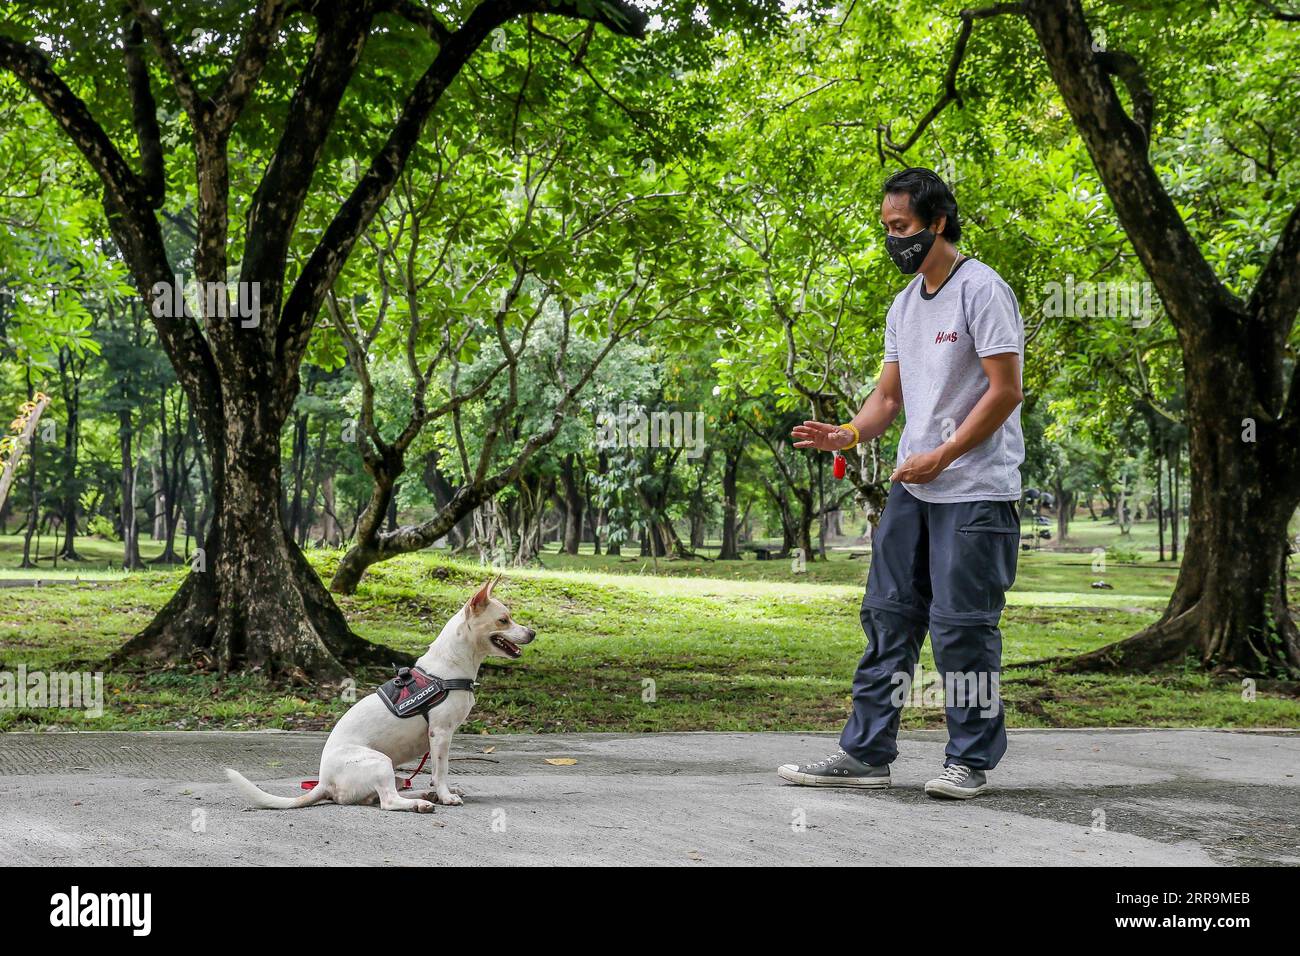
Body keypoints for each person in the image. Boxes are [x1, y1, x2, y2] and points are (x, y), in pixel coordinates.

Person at [778, 167, 1025, 799]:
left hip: (975, 492)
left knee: (963, 627)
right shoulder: (904, 304)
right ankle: (866, 753)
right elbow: (887, 398)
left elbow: (1005, 392)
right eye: (887, 228)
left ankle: (969, 760)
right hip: (914, 489)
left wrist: (943, 455)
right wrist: (848, 434)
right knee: (887, 617)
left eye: (902, 227)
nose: (893, 240)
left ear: (937, 222)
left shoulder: (982, 290)